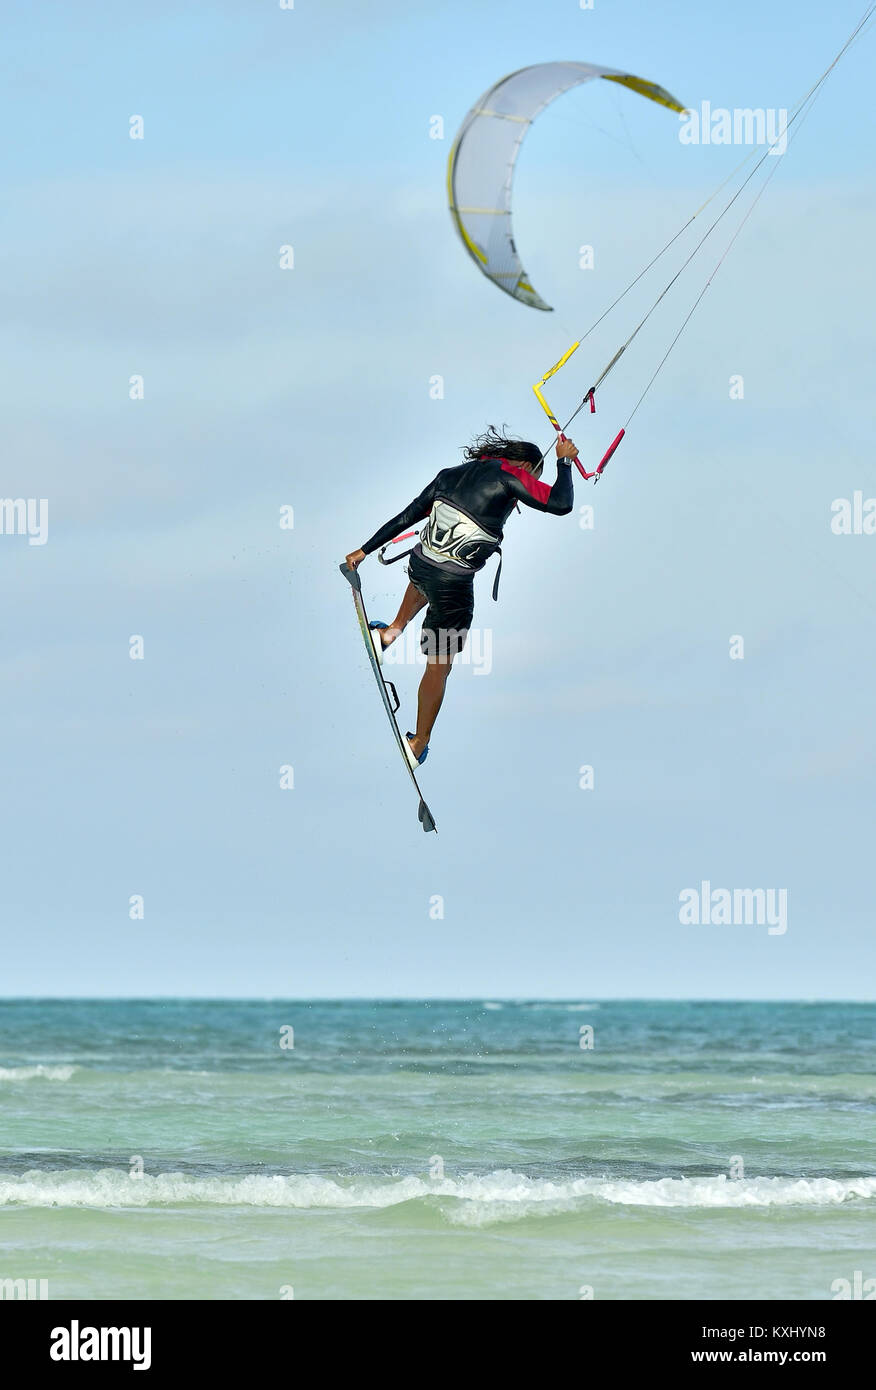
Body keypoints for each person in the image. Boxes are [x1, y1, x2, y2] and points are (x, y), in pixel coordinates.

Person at [345, 428, 578, 768]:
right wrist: (565, 463)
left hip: (420, 564)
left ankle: (388, 633)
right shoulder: (513, 476)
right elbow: (561, 503)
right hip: (452, 587)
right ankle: (419, 744)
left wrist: (364, 550)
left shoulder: (449, 475)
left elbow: (407, 515)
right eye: (534, 478)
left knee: (427, 570)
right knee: (439, 666)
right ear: (526, 466)